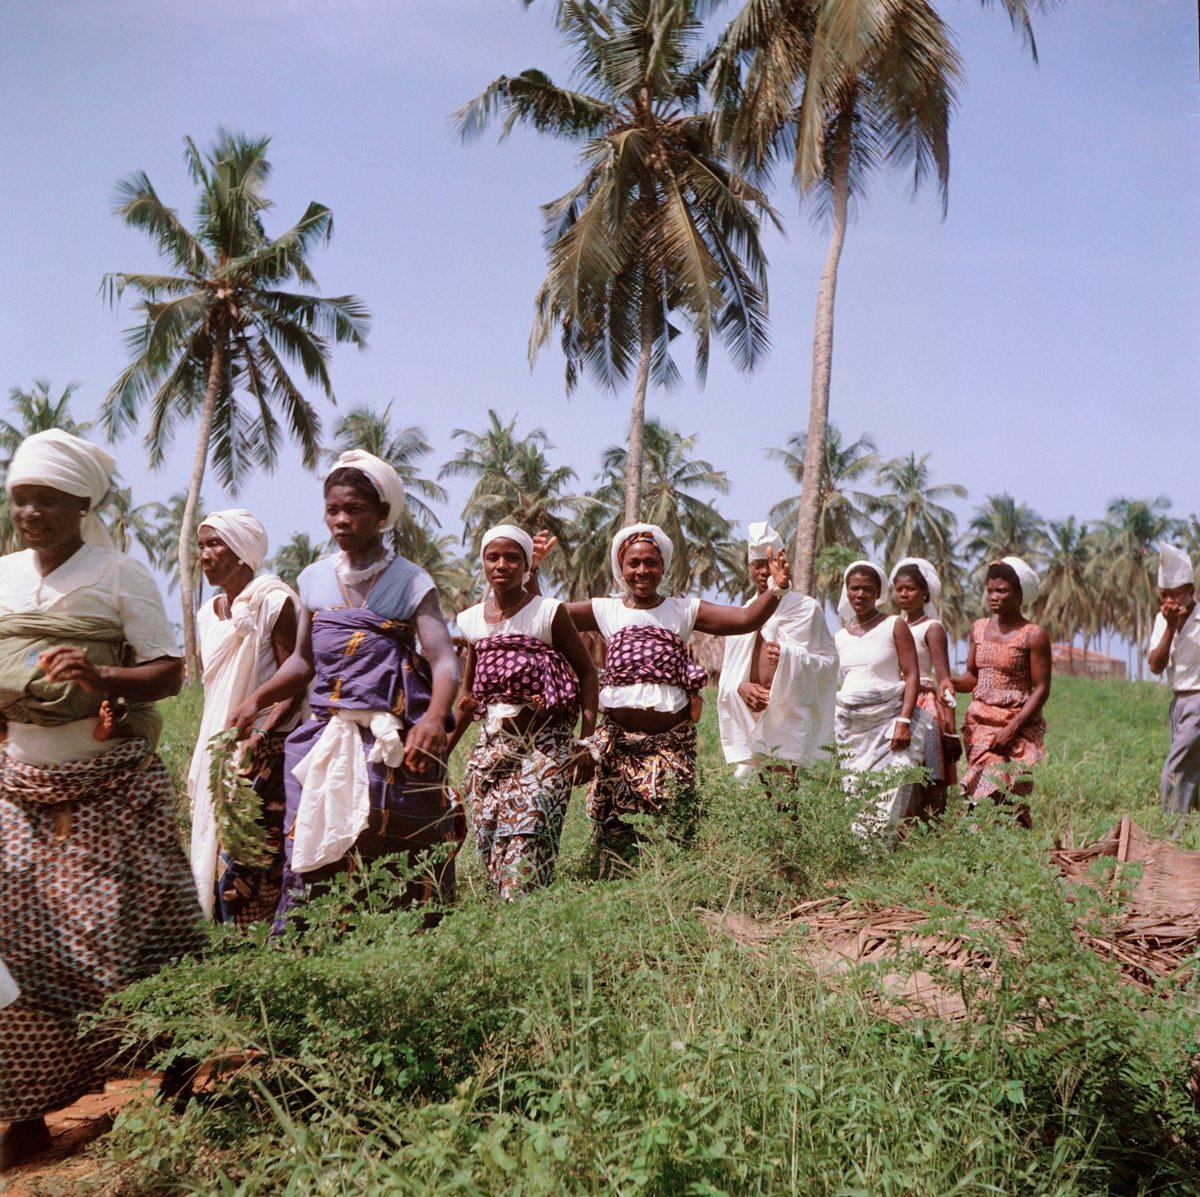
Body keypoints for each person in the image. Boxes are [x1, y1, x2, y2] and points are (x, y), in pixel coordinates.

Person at [0, 430, 202, 1171]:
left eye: (46, 498)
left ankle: (183, 1068)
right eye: (21, 496)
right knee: (18, 948)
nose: (30, 510)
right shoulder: (3, 580)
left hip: (115, 789)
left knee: (150, 936)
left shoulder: (121, 575)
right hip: (20, 790)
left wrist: (103, 678)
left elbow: (170, 674)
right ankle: (25, 1113)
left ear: (82, 504)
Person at [228, 450, 461, 928]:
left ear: (381, 514)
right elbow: (301, 661)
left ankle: (405, 939)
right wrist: (256, 698)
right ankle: (309, 941)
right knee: (309, 840)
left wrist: (436, 718)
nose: (341, 520)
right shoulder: (313, 579)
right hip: (323, 735)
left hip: (388, 740)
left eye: (354, 509)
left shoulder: (411, 582)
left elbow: (443, 660)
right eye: (333, 509)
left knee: (394, 836)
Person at [544, 522, 792, 864]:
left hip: (669, 743)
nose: (642, 570)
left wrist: (776, 589)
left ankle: (674, 891)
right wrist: (528, 573)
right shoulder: (605, 610)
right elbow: (546, 618)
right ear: (621, 567)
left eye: (651, 563)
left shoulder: (684, 610)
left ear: (663, 566)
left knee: (671, 833)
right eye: (634, 563)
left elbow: (745, 619)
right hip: (617, 744)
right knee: (614, 838)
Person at [450, 525, 599, 899]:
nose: (502, 565)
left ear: (526, 565)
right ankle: (518, 924)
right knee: (490, 838)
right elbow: (468, 694)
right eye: (493, 557)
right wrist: (442, 751)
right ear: (482, 563)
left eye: (512, 557)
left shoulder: (547, 613)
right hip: (492, 751)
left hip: (545, 747)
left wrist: (587, 741)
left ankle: (524, 915)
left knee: (529, 834)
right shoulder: (470, 621)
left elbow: (587, 673)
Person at [186, 509, 302, 925]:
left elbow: (297, 680)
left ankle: (262, 949)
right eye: (201, 545)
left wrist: (260, 735)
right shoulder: (208, 614)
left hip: (267, 750)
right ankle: (226, 949)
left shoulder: (275, 600)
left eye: (214, 544)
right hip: (220, 748)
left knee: (254, 856)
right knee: (217, 848)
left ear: (241, 552)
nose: (205, 555)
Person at [717, 521, 838, 783]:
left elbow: (828, 665)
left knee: (785, 795)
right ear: (749, 567)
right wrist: (741, 688)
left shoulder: (806, 609)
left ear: (783, 562)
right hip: (753, 714)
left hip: (790, 715)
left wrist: (789, 657)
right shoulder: (744, 613)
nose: (764, 570)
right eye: (757, 564)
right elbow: (729, 673)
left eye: (770, 562)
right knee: (765, 794)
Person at [952, 557, 1051, 828]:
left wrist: (1012, 728)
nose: (994, 597)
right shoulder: (979, 629)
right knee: (987, 784)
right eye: (990, 591)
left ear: (1019, 594)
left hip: (1018, 724)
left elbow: (1041, 689)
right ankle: (975, 846)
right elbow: (973, 676)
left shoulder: (1033, 635)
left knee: (1010, 793)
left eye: (1002, 591)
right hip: (980, 724)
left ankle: (1011, 848)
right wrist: (949, 682)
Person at [834, 560, 929, 838]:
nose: (860, 595)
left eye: (867, 589)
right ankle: (864, 862)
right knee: (856, 795)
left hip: (888, 728)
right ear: (847, 591)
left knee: (888, 793)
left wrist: (903, 720)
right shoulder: (840, 637)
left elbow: (912, 675)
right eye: (854, 589)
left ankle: (886, 860)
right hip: (851, 731)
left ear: (878, 593)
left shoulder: (893, 625)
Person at [889, 557, 958, 819]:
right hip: (898, 701)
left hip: (925, 705)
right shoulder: (895, 626)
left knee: (928, 773)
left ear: (925, 592)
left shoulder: (932, 628)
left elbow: (944, 681)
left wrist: (951, 731)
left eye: (910, 589)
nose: (904, 594)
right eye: (899, 589)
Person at [1148, 543, 1200, 834]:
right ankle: (1190, 838)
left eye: (1176, 594)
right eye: (1164, 595)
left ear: (1190, 592)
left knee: (1175, 770)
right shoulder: (1162, 621)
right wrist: (1169, 627)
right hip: (1178, 704)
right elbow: (1155, 665)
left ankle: (1170, 835)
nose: (1169, 601)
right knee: (1193, 772)